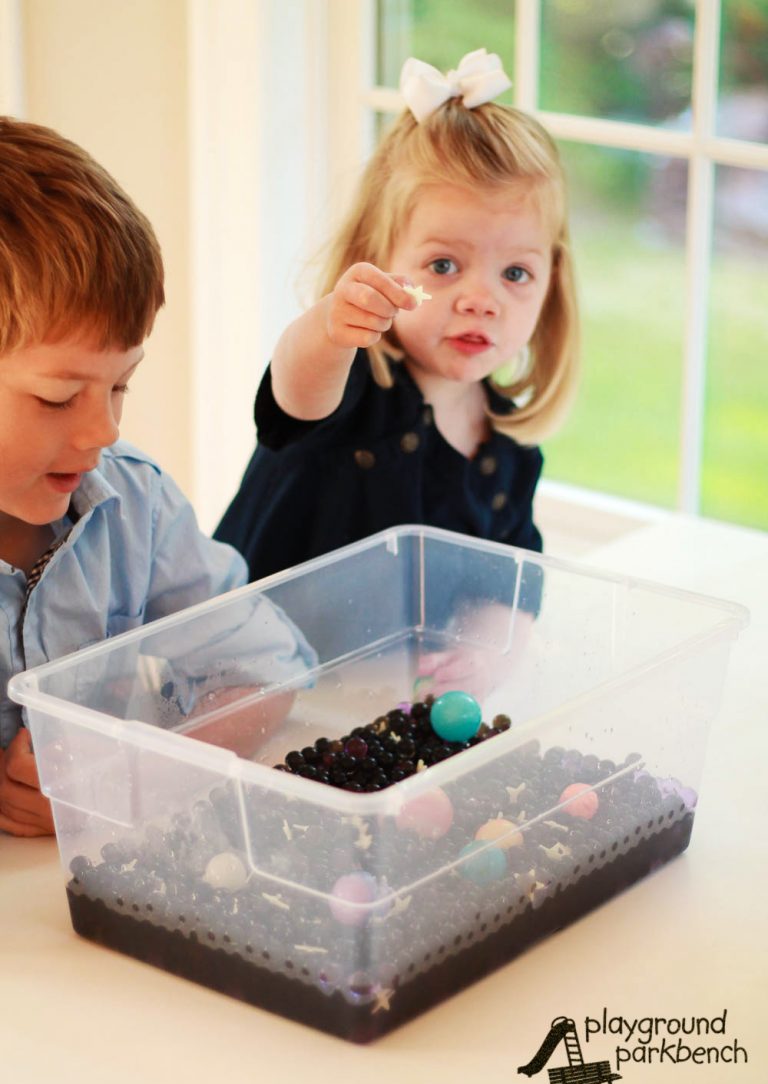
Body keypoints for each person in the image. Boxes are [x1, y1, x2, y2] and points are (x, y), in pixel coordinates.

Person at [215, 49, 579, 700]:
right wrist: (330, 328)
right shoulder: (358, 383)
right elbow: (295, 397)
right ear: (374, 261)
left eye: (515, 273)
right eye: (444, 265)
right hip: (245, 669)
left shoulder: (508, 451)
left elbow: (512, 583)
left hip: (369, 697)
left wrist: (488, 653)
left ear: (552, 283)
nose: (481, 299)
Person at [0, 117, 313, 838]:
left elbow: (268, 668)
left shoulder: (134, 504)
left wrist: (141, 774)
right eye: (58, 397)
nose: (104, 431)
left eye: (120, 386)